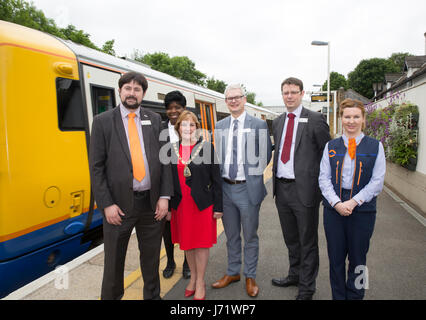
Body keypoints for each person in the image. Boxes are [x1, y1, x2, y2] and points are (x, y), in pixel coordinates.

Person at [89, 71, 173, 300]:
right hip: (118, 207)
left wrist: (165, 196)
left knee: (151, 257)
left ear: (143, 93)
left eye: (137, 89)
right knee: (114, 260)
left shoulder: (156, 120)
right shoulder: (103, 122)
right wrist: (106, 204)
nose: (132, 93)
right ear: (120, 91)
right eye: (128, 88)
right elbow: (96, 167)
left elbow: (166, 161)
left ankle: (152, 297)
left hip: (151, 204)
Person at [319, 98, 385, 300]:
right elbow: (324, 178)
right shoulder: (331, 145)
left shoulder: (375, 146)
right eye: (347, 116)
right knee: (336, 260)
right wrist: (337, 203)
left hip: (363, 210)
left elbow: (377, 181)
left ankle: (356, 297)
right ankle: (338, 297)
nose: (351, 121)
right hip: (334, 210)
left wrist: (354, 201)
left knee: (359, 260)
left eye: (356, 116)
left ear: (363, 119)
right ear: (341, 119)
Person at [271, 77, 330, 300]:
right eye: (285, 92)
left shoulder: (315, 119)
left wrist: (324, 189)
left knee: (307, 240)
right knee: (291, 239)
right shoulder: (277, 122)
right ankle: (294, 274)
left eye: (293, 92)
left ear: (302, 93)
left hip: (305, 191)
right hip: (282, 190)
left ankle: (307, 287)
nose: (289, 96)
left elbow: (328, 155)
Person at [212, 84, 272, 298]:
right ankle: (232, 272)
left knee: (250, 235)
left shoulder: (258, 125)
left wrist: (253, 177)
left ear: (244, 99)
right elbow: (218, 156)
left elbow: (265, 154)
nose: (234, 101)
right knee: (230, 235)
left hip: (247, 189)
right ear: (225, 102)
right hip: (226, 188)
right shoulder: (219, 126)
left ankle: (250, 275)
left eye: (237, 97)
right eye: (230, 98)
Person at [168, 110, 223, 300]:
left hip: (202, 205)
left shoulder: (207, 148)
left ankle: (200, 282)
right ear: (178, 127)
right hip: (180, 205)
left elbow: (217, 179)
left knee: (201, 244)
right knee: (188, 245)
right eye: (184, 124)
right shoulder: (170, 149)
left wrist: (218, 207)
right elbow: (166, 180)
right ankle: (192, 278)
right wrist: (167, 207)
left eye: (192, 125)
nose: (188, 128)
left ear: (196, 128)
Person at [161, 90, 190, 280]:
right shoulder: (159, 129)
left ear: (183, 109)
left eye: (177, 108)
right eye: (169, 108)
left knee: (187, 227)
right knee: (167, 228)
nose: (173, 111)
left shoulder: (190, 129)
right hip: (164, 187)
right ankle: (170, 261)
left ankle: (188, 262)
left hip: (186, 188)